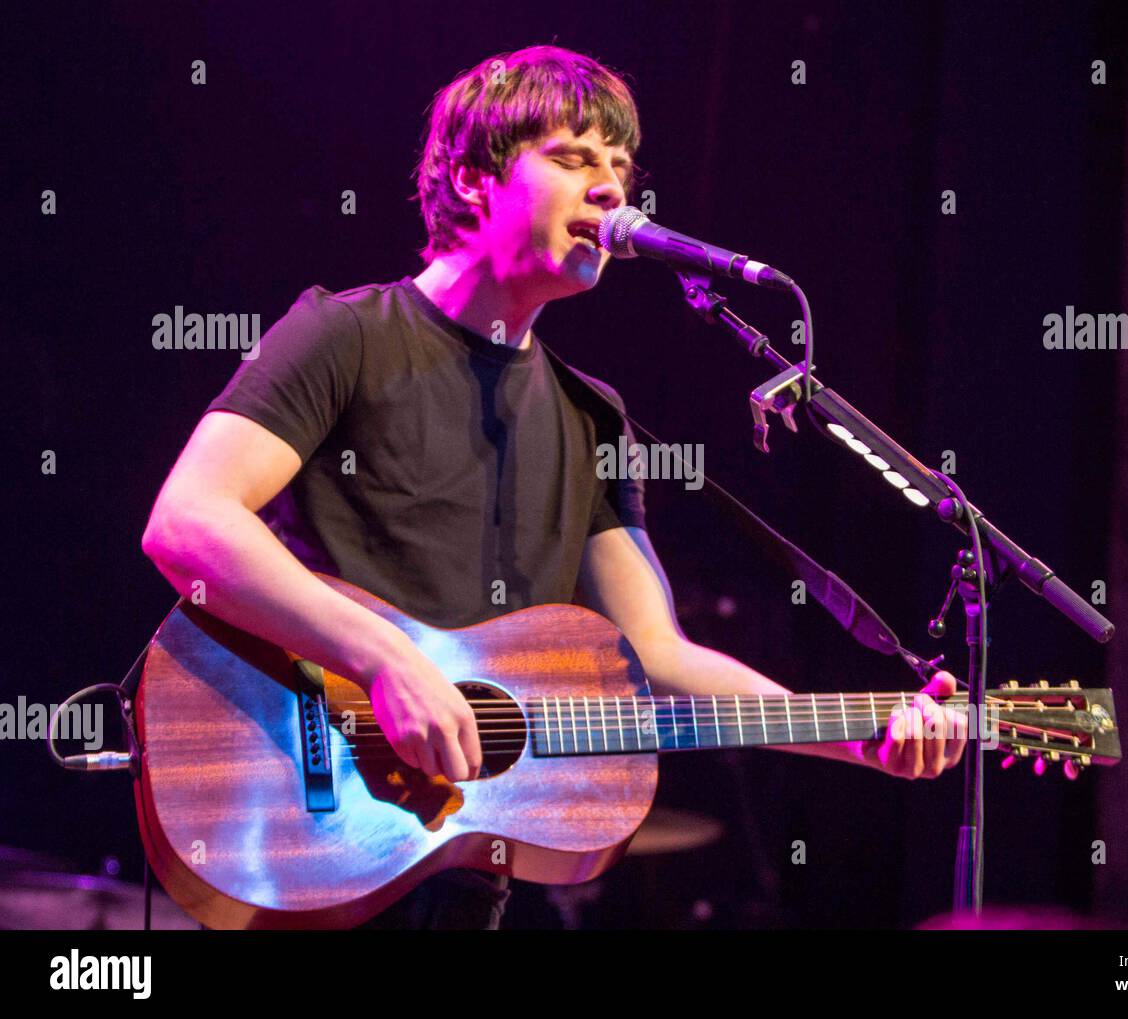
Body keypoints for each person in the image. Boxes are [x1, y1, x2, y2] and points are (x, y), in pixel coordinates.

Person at [140, 44, 967, 930]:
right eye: (575, 160)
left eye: (620, 167)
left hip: (458, 868)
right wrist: (388, 662)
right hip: (304, 831)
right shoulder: (344, 335)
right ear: (471, 179)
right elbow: (188, 521)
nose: (612, 189)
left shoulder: (592, 418)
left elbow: (655, 659)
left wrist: (855, 732)